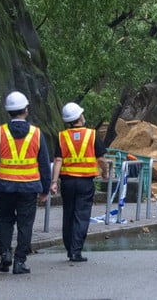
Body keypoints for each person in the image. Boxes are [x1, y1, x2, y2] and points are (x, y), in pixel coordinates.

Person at [0, 91, 51, 275]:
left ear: (8, 111)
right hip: (29, 187)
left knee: (5, 220)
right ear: (26, 110)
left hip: (4, 186)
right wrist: (46, 188)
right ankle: (20, 261)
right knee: (25, 224)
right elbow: (44, 164)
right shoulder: (36, 134)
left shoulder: (0, 132)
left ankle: (5, 254)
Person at [51, 102, 108, 263]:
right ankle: (76, 251)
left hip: (67, 181)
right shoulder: (92, 135)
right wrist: (105, 172)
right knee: (81, 215)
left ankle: (70, 248)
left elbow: (58, 160)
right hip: (85, 182)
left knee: (68, 214)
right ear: (80, 117)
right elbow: (101, 159)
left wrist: (54, 182)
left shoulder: (62, 136)